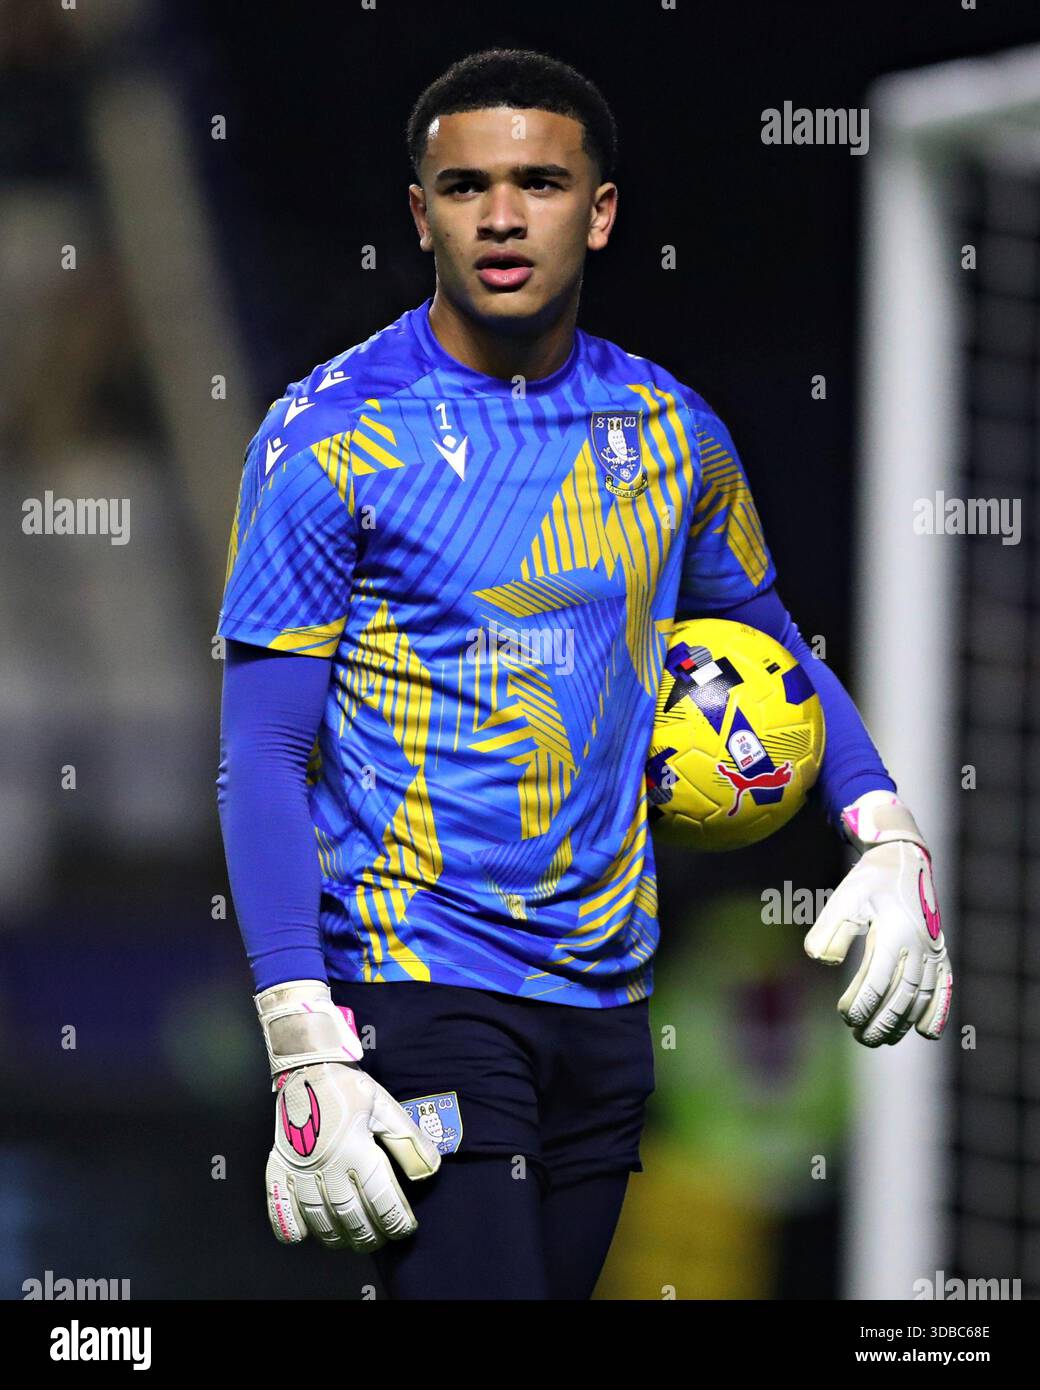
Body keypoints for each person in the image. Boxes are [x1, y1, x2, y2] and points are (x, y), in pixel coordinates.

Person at [216, 47, 952, 1301]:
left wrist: (881, 827)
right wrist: (300, 1031)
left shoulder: (672, 431)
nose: (501, 216)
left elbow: (768, 649)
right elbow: (263, 753)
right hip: (416, 983)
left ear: (600, 212)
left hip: (608, 1005)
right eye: (465, 188)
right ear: (419, 215)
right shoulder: (328, 434)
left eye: (540, 184)